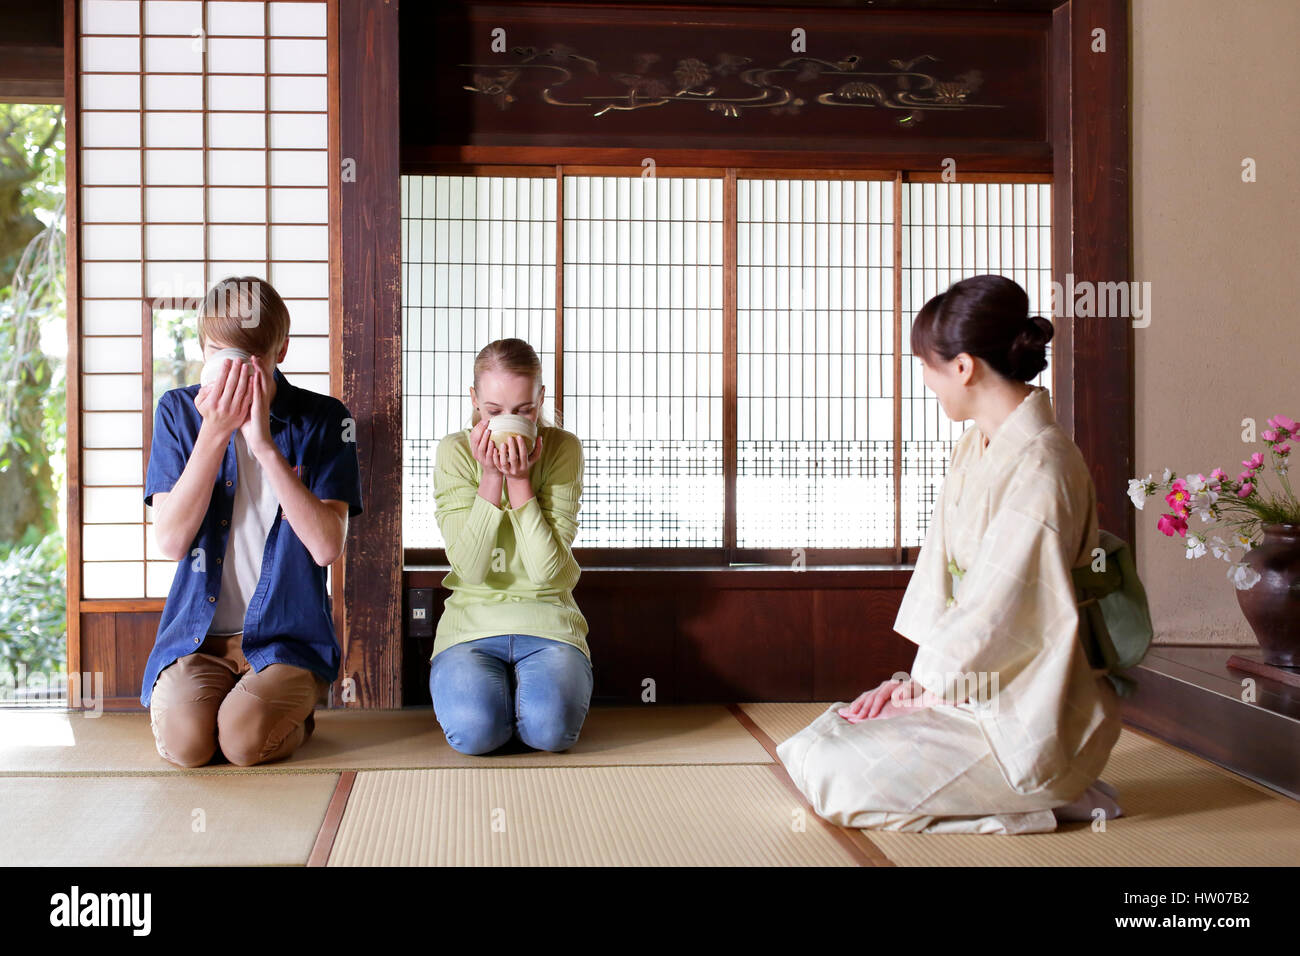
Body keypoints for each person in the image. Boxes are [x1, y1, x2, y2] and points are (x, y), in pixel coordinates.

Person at [777, 274, 1124, 833]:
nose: (925, 381)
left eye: (927, 365)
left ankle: (1047, 794)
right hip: (974, 687)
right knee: (823, 737)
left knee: (834, 775)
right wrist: (914, 684)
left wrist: (930, 688)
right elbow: (944, 574)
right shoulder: (976, 445)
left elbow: (1001, 611)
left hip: (1028, 711)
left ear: (963, 367)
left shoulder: (1043, 466)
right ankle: (1027, 790)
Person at [142, 276, 362, 767]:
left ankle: (284, 710)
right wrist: (214, 434)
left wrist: (262, 445)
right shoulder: (178, 412)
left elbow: (327, 547)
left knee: (241, 744)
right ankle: (233, 705)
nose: (235, 370)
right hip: (199, 640)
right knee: (188, 746)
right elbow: (172, 540)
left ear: (280, 351)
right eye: (221, 352)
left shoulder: (325, 420)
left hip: (285, 638)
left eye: (251, 357)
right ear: (204, 350)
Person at [430, 337, 592, 755]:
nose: (509, 422)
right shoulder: (454, 452)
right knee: (475, 733)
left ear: (540, 399)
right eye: (494, 412)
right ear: (474, 400)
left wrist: (520, 483)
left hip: (548, 622)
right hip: (471, 625)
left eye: (524, 411)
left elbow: (546, 572)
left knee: (551, 733)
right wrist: (491, 478)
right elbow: (470, 569)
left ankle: (527, 701)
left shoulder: (562, 448)